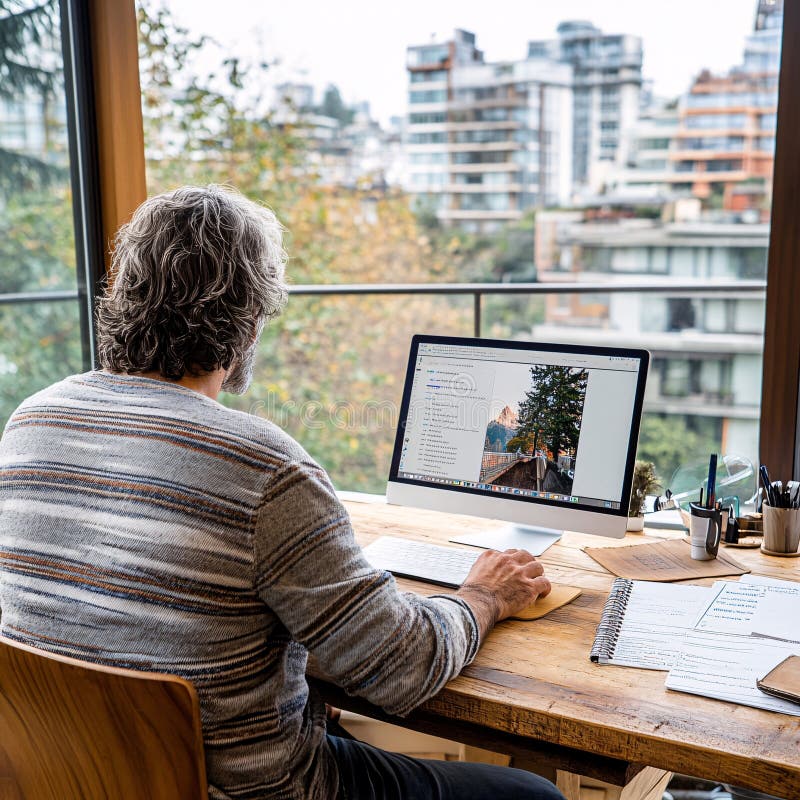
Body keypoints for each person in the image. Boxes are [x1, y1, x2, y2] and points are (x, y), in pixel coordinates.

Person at [0, 185, 563, 800]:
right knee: (534, 795)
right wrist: (483, 596)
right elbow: (401, 671)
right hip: (257, 792)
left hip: (74, 779)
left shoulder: (31, 420)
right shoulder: (267, 471)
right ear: (246, 324)